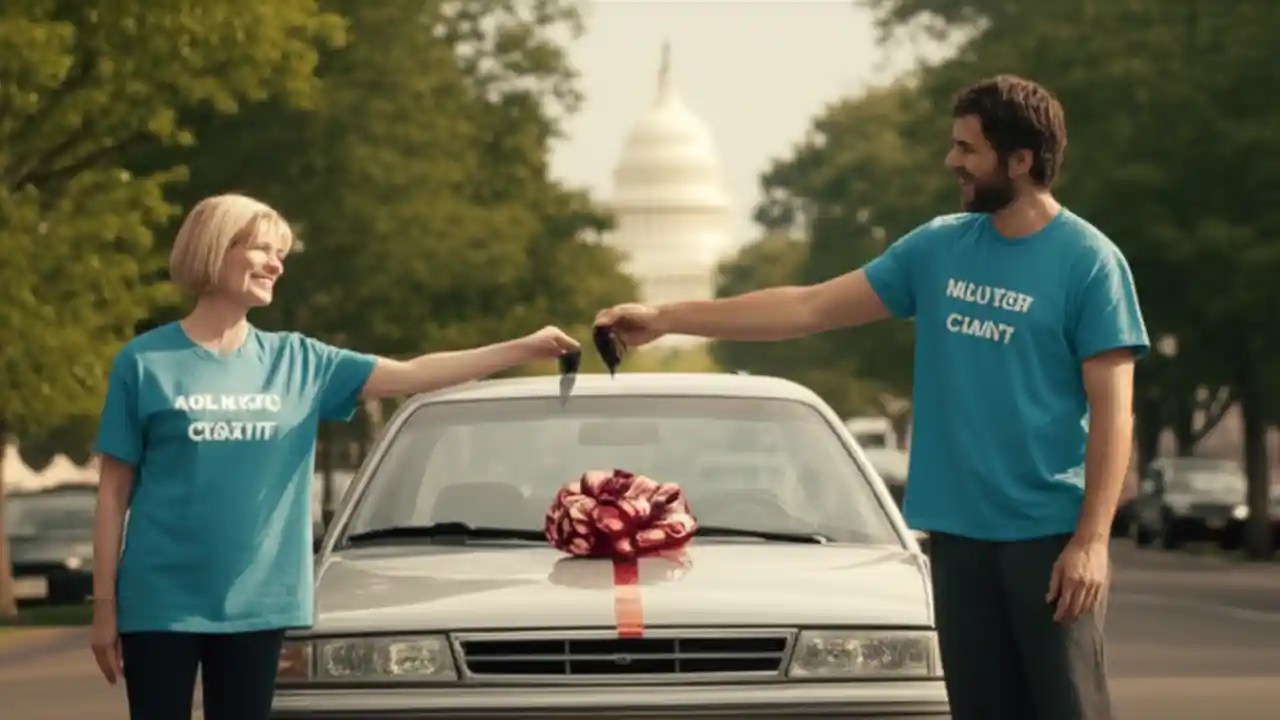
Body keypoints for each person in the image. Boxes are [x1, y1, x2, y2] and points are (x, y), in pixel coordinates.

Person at [594, 75, 1148, 720]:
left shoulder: (1088, 263)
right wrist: (665, 317)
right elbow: (808, 307)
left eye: (967, 149)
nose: (952, 162)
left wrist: (1091, 541)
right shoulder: (938, 248)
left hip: (1047, 541)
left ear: (1020, 161)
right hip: (959, 537)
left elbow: (1114, 413)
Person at [89, 193, 579, 720]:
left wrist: (524, 347)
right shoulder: (144, 363)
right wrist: (104, 608)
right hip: (160, 601)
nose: (276, 264)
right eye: (261, 249)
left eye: (281, 254)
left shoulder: (301, 361)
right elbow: (113, 494)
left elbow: (413, 374)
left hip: (260, 603)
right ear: (214, 248)